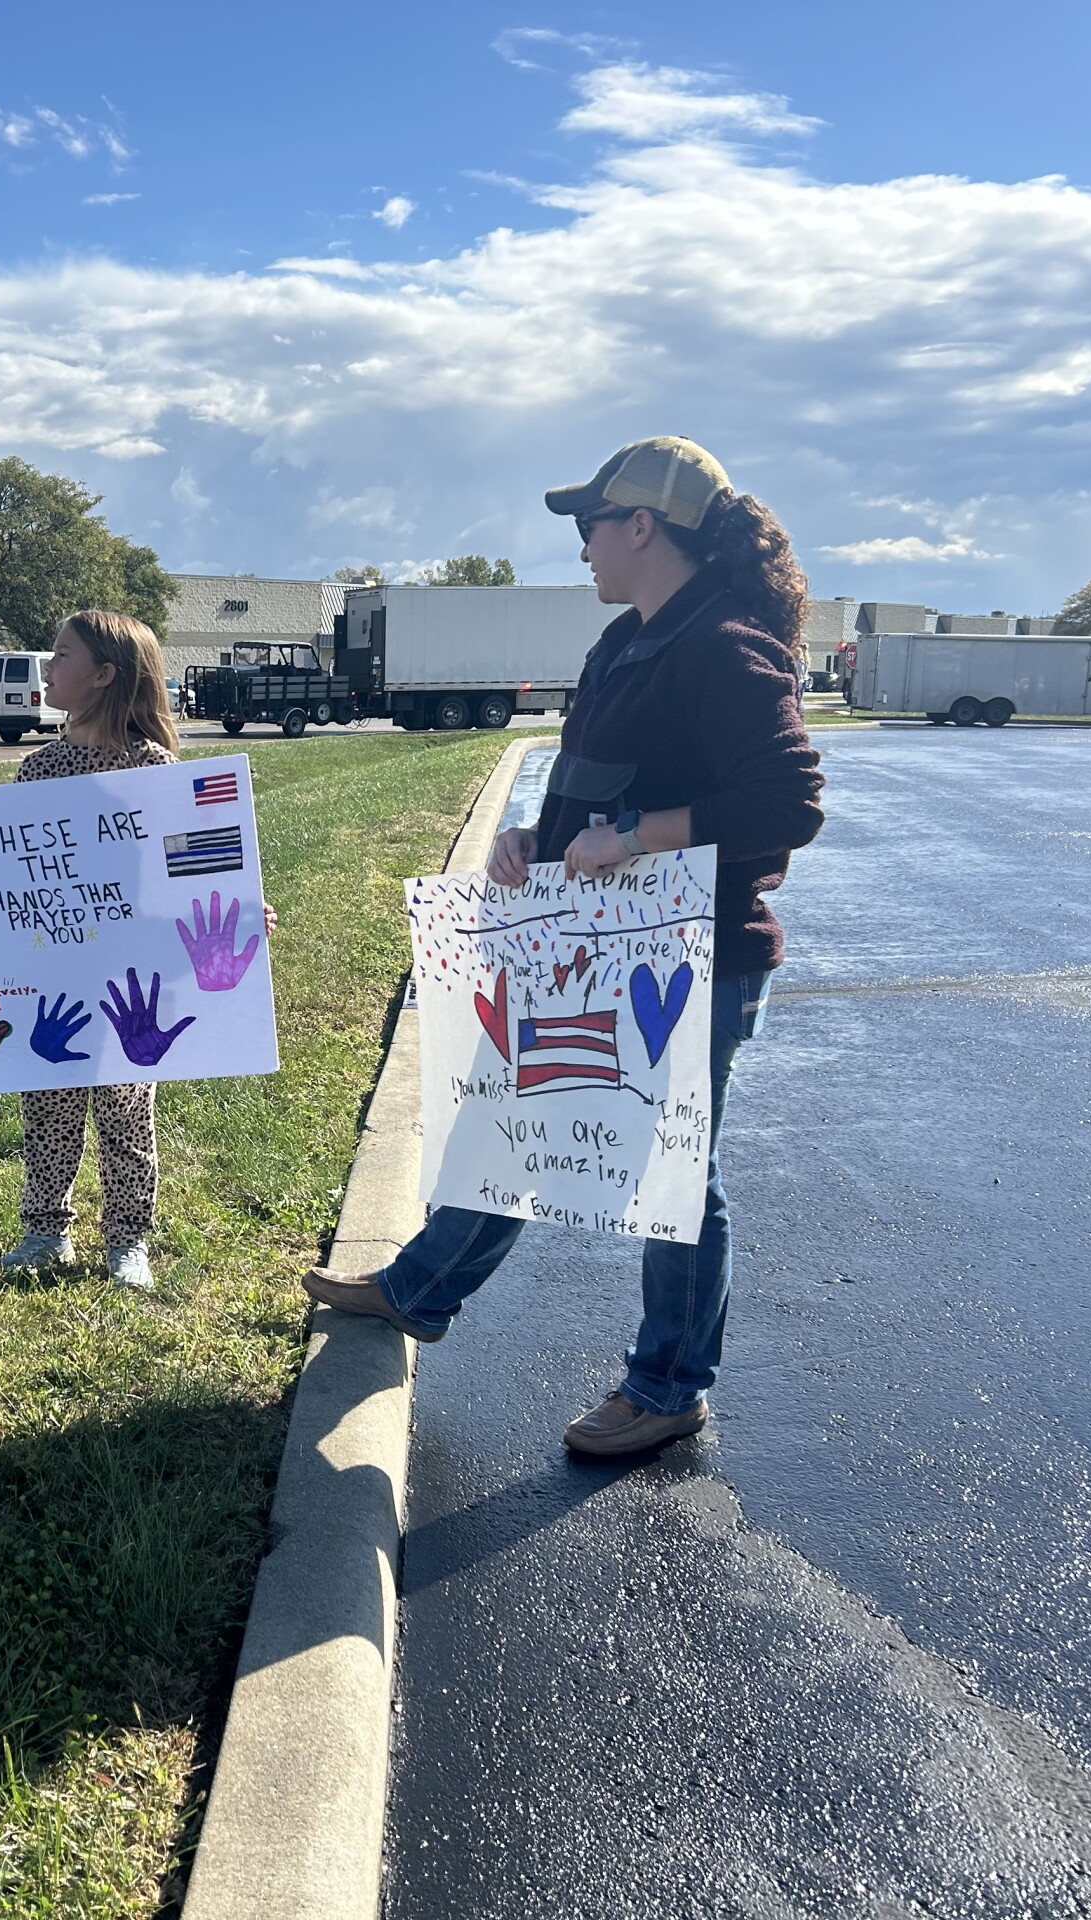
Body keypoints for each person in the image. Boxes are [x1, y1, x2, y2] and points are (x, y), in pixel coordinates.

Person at [303, 436, 824, 1454]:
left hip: (690, 956)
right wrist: (534, 840)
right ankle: (419, 1290)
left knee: (675, 1175)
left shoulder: (723, 642)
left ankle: (669, 1388)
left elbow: (785, 802)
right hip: (598, 938)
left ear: (642, 527)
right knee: (521, 1116)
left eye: (590, 525)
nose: (580, 546)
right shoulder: (630, 637)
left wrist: (631, 838)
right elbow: (598, 780)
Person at [0, 610, 273, 1291]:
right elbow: (2, 878)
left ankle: (127, 1238)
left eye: (61, 656)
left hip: (134, 978)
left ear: (103, 676)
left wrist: (240, 911)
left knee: (126, 1108)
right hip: (56, 969)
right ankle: (45, 1228)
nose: (47, 668)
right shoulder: (39, 769)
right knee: (48, 1103)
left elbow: (196, 866)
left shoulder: (156, 770)